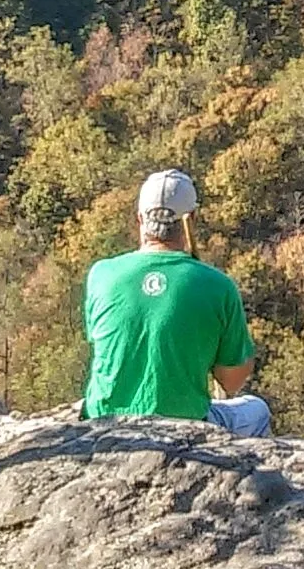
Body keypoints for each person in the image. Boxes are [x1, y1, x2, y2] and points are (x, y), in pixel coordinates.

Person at [80, 168, 271, 435]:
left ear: (140, 219)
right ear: (190, 220)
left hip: (103, 424)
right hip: (182, 427)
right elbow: (232, 381)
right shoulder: (217, 285)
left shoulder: (101, 274)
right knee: (257, 411)